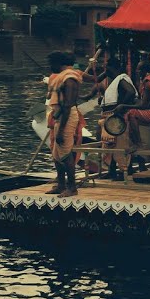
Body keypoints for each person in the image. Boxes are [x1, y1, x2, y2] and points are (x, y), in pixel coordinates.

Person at [44, 51, 85, 196]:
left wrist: (60, 130)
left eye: (51, 64)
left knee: (66, 152)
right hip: (61, 116)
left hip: (67, 116)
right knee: (56, 154)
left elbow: (67, 106)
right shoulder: (64, 77)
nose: (50, 67)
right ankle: (61, 184)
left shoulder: (69, 78)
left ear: (58, 63)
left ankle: (72, 187)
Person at [99, 58, 137, 179]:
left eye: (107, 68)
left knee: (121, 144)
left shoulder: (121, 78)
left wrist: (121, 105)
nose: (106, 71)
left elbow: (130, 92)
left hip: (118, 117)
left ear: (112, 68)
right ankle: (112, 170)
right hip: (110, 116)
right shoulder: (115, 80)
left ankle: (123, 171)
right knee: (110, 144)